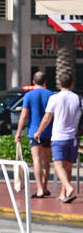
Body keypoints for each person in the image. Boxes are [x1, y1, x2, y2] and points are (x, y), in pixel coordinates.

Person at [33, 71, 82, 203]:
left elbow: (47, 117)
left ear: (59, 84)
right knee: (68, 166)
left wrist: (38, 132)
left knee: (58, 164)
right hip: (74, 137)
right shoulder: (78, 98)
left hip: (59, 136)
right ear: (72, 83)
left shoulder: (54, 98)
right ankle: (63, 195)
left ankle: (67, 187)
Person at [15, 70, 53, 198]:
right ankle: (45, 186)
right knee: (46, 160)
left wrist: (19, 132)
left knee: (36, 160)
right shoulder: (51, 95)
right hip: (49, 131)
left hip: (33, 131)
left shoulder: (29, 96)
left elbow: (24, 115)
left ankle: (39, 189)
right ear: (45, 82)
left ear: (33, 82)